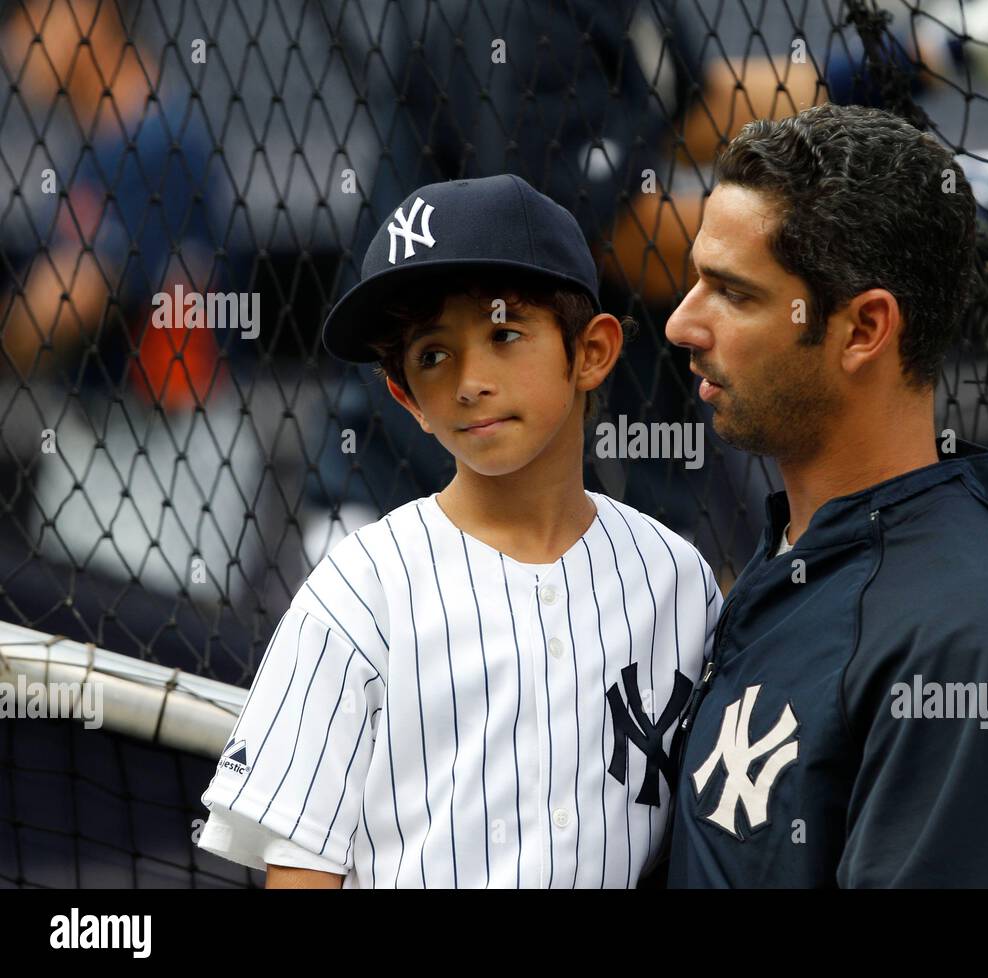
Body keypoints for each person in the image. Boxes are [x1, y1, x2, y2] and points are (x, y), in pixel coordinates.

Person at [195, 175, 720, 888]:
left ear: (592, 351)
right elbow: (302, 869)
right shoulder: (361, 588)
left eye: (505, 334)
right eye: (433, 355)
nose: (469, 380)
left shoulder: (676, 580)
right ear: (405, 396)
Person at [662, 103, 988, 887]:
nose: (681, 323)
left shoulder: (966, 645)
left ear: (864, 329)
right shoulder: (805, 561)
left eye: (733, 293)